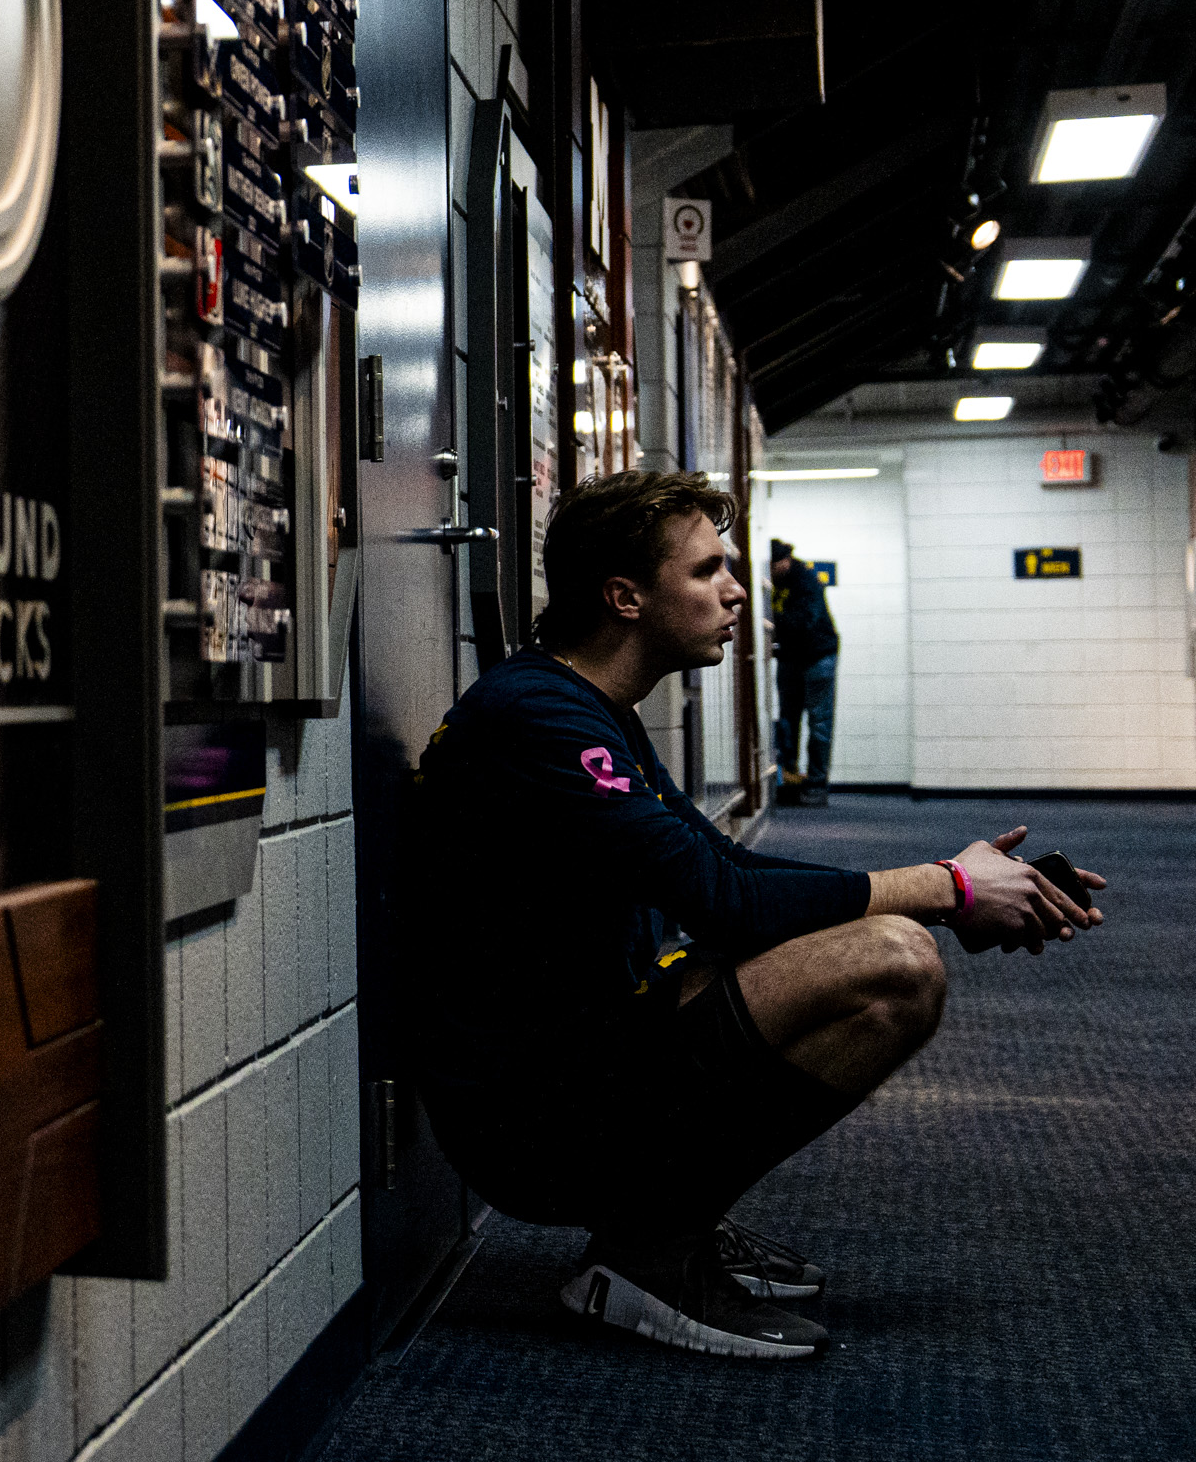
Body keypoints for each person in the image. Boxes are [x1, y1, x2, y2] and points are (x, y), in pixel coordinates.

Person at [405, 469, 1108, 1360]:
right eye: (706, 572)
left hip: (584, 1046)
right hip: (530, 1119)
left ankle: (672, 1220)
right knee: (891, 967)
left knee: (876, 943)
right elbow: (726, 899)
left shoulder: (583, 705)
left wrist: (955, 893)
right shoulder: (539, 716)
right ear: (625, 596)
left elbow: (729, 870)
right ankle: (650, 1248)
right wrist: (945, 889)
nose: (736, 590)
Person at [767, 537, 840, 803]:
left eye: (773, 566)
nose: (771, 572)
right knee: (788, 720)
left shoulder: (806, 580)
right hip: (791, 657)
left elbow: (804, 622)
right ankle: (790, 778)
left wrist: (771, 624)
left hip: (817, 657)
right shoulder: (776, 582)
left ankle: (817, 784)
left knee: (819, 722)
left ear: (783, 561)